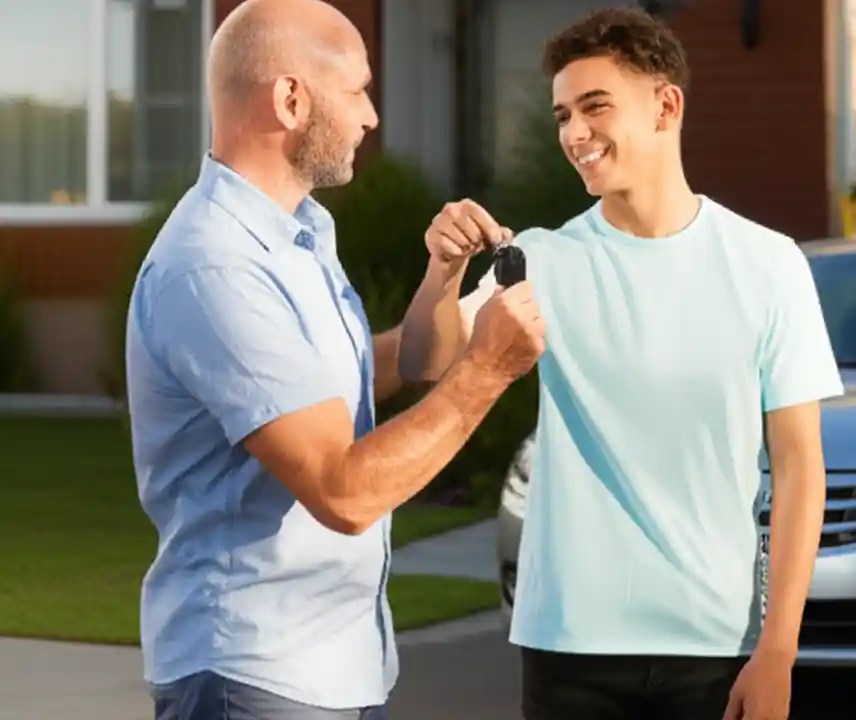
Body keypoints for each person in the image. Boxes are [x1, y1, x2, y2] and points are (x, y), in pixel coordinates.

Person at [399, 6, 843, 718]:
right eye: (562, 115)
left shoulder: (767, 265)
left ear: (666, 105)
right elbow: (427, 360)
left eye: (595, 107)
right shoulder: (541, 259)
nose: (575, 133)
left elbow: (798, 468)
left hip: (715, 645)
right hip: (569, 644)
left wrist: (778, 652)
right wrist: (442, 274)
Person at [124, 0, 544, 717]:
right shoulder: (215, 267)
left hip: (330, 670)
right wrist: (491, 370)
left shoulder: (299, 235)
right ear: (291, 99)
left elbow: (392, 368)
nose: (371, 117)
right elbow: (342, 493)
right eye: (356, 91)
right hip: (253, 678)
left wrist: (445, 284)